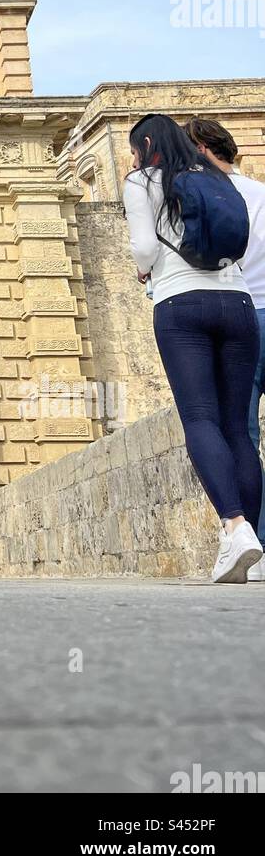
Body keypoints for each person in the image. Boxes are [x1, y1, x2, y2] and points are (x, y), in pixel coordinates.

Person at [123, 113, 261, 583]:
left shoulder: (142, 181)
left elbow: (144, 249)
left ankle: (235, 527)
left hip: (181, 303)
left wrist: (145, 267)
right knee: (237, 429)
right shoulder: (217, 178)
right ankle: (253, 544)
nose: (133, 159)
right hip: (238, 303)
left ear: (147, 143)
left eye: (134, 150)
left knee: (201, 419)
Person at [185, 118, 265, 568]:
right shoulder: (260, 193)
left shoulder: (204, 198)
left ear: (200, 149)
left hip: (239, 313)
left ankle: (251, 540)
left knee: (239, 432)